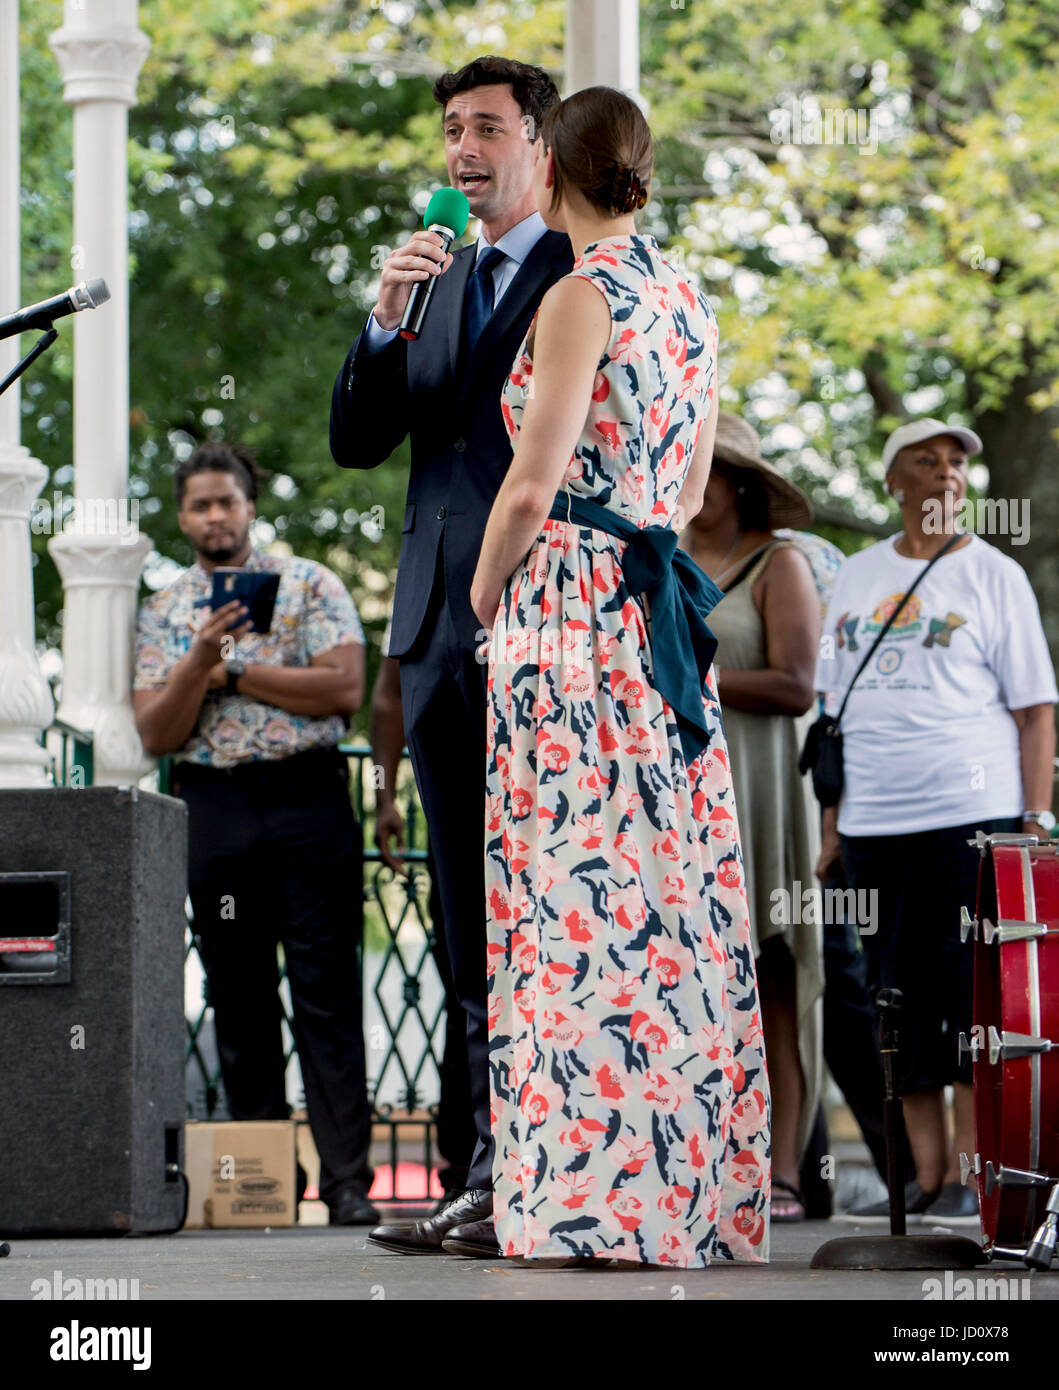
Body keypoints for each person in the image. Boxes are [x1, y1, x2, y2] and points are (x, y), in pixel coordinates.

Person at [470, 85, 770, 1268]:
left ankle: (585, 1201)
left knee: (568, 883)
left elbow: (531, 481)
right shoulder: (687, 298)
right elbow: (688, 495)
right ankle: (684, 1191)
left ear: (550, 169)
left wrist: (487, 595)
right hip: (651, 607)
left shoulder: (578, 294)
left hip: (569, 601)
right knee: (659, 883)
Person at [330, 56, 574, 1256]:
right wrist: (383, 319)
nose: (462, 150)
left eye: (485, 127)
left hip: (550, 624)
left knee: (550, 899)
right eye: (449, 131)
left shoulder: (584, 271)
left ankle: (556, 1167)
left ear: (539, 142)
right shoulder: (433, 277)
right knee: (469, 913)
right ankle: (483, 1173)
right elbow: (356, 441)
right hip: (435, 632)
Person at [816, 417, 1057, 1223]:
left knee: (966, 990)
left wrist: (1033, 819)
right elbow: (830, 715)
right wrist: (831, 827)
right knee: (893, 993)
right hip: (872, 826)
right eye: (926, 460)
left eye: (956, 461)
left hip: (972, 817)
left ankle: (971, 1175)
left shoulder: (994, 574)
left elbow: (1034, 710)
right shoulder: (856, 575)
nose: (946, 472)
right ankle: (923, 1180)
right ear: (893, 481)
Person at [132, 440, 378, 1226]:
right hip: (216, 804)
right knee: (238, 995)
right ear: (182, 518)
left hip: (307, 797)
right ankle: (264, 1187)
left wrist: (231, 673)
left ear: (249, 506)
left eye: (226, 501)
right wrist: (196, 662)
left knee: (326, 993)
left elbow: (343, 689)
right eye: (199, 505)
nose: (214, 516)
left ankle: (347, 1183)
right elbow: (156, 732)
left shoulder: (309, 583)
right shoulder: (163, 609)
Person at [678, 412, 822, 1223]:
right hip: (679, 796)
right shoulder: (658, 556)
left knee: (771, 982)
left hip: (759, 794)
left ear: (736, 484)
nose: (692, 481)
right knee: (690, 988)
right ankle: (698, 1171)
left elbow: (796, 686)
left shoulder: (778, 562)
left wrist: (689, 676)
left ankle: (785, 1175)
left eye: (707, 469)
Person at [369, 627, 477, 1212]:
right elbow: (388, 697)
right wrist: (383, 794)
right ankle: (462, 1173)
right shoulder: (417, 594)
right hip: (459, 813)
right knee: (467, 991)